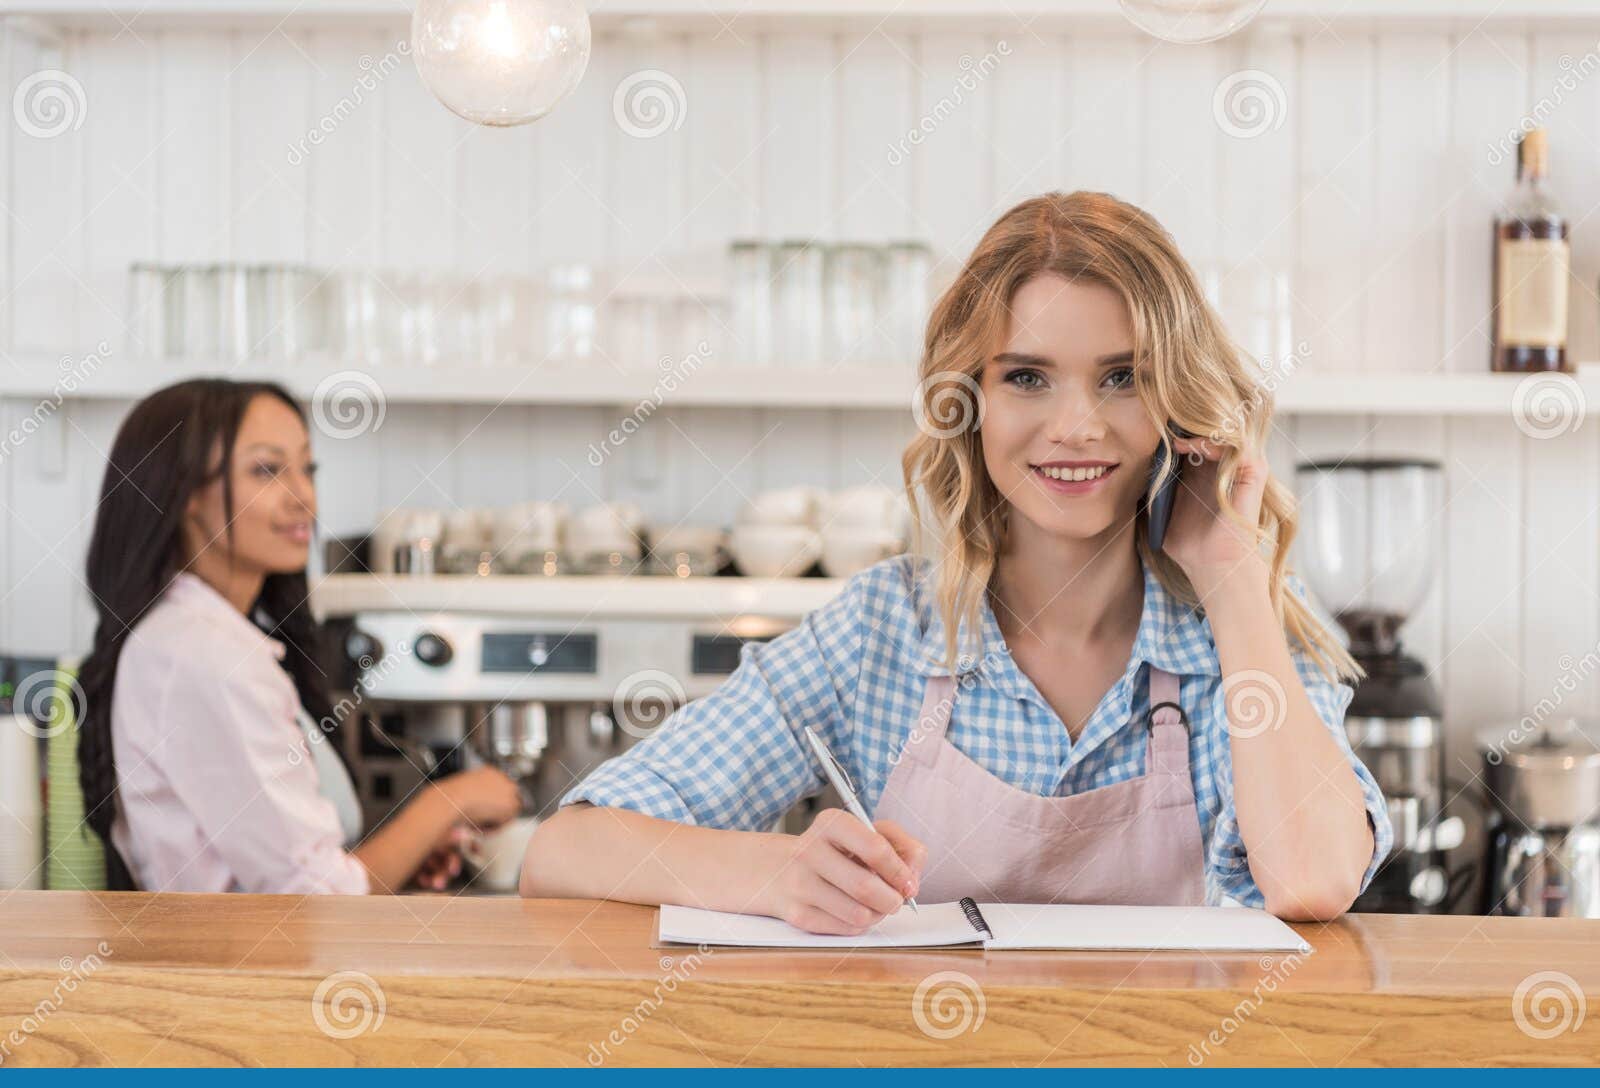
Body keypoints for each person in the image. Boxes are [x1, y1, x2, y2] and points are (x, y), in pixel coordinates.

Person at [521, 191, 1392, 931]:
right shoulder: (881, 633)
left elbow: (1314, 880)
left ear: (1179, 404)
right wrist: (774, 875)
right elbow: (564, 850)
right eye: (1027, 377)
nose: (1077, 424)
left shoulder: (1248, 630)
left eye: (1123, 377)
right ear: (966, 402)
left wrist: (1234, 579)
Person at [77, 378, 521, 893]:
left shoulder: (201, 639)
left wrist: (406, 851)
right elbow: (313, 898)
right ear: (186, 496)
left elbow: (294, 872)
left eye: (306, 470)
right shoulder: (205, 656)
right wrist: (451, 801)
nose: (302, 497)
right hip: (245, 970)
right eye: (267, 470)